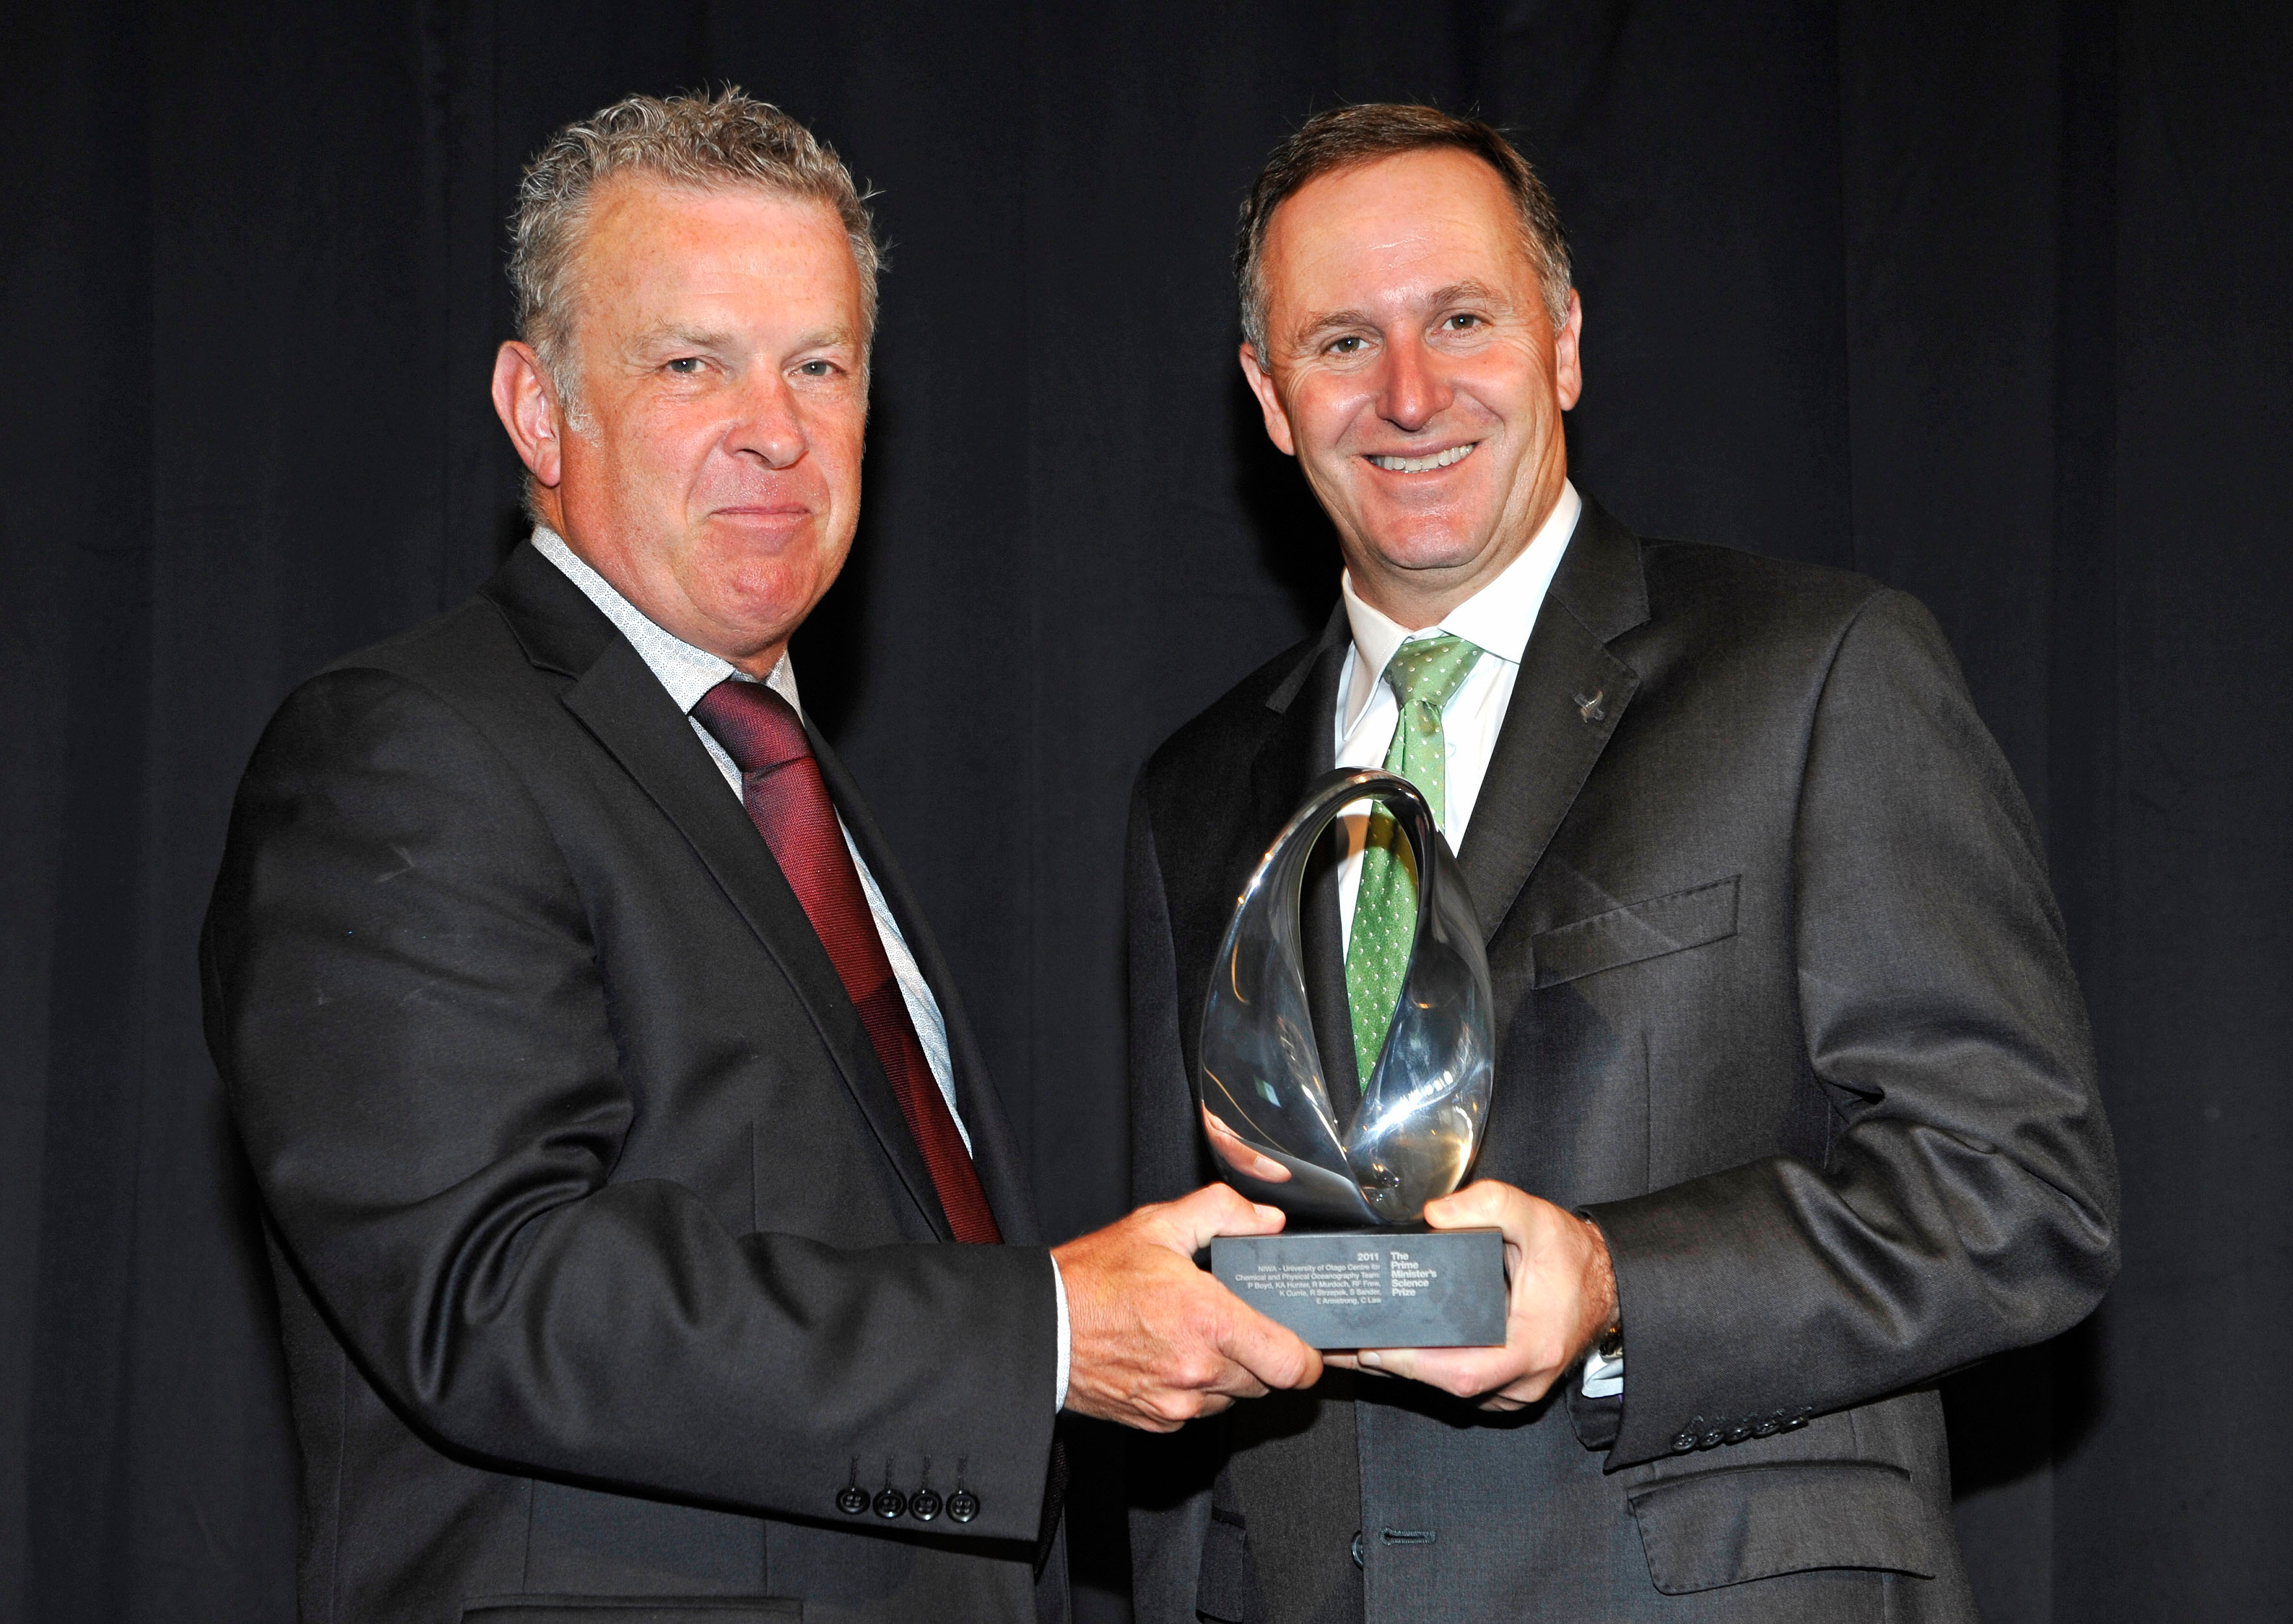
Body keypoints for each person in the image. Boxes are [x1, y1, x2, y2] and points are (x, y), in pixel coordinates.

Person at [201, 90, 1318, 1624]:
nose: (775, 429)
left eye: (818, 365)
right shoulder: (409, 750)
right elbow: (490, 1293)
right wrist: (1046, 1336)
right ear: (538, 410)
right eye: (690, 364)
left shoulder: (776, 776)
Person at [1125, 104, 2119, 1623]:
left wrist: (1612, 1285)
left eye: (1460, 319)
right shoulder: (1194, 792)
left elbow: (2020, 1193)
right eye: (1339, 343)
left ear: (1563, 340)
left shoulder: (1814, 673)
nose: (1407, 394)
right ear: (1268, 396)